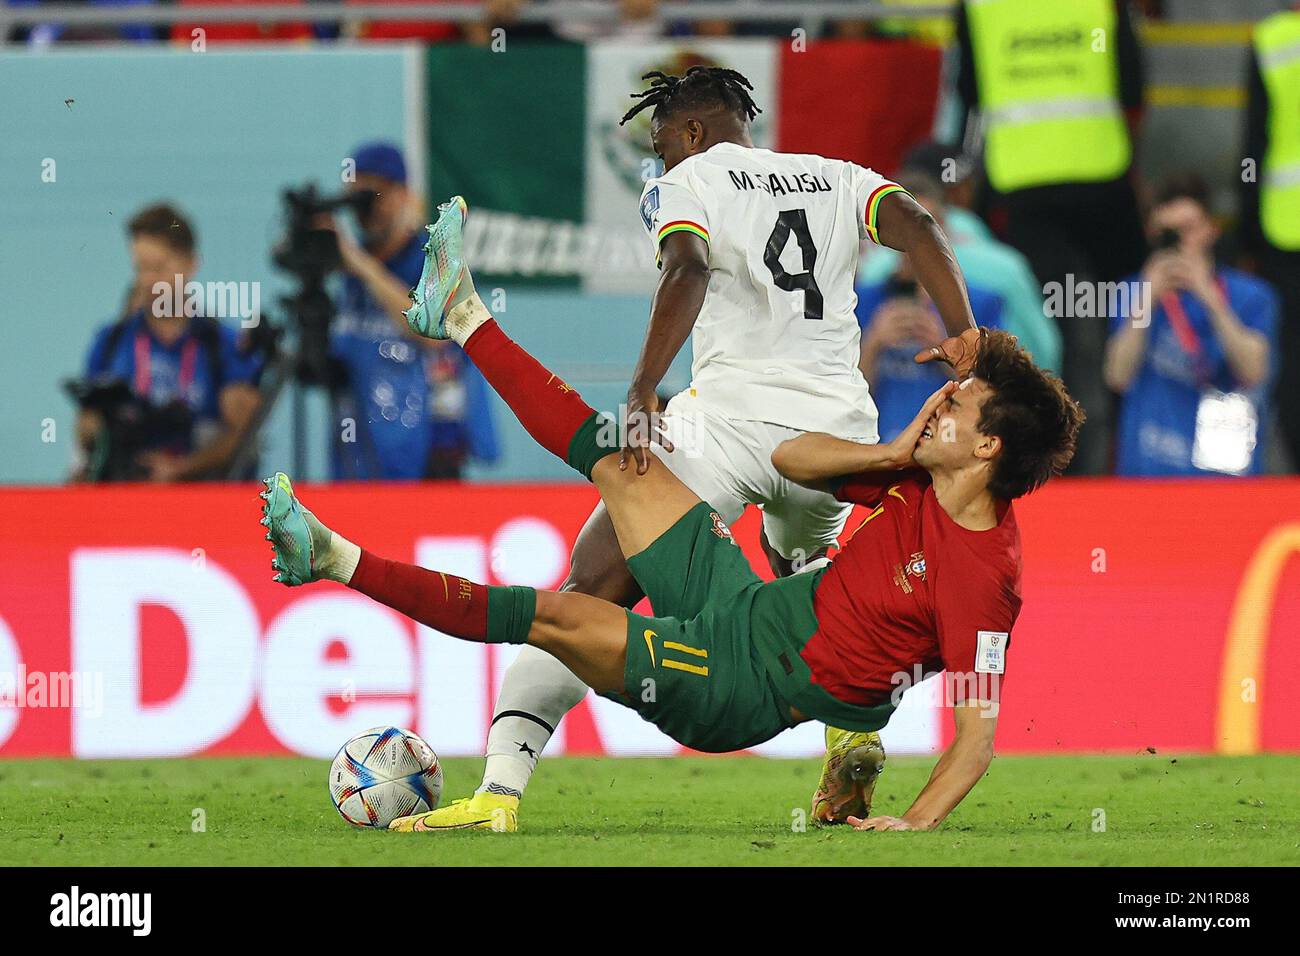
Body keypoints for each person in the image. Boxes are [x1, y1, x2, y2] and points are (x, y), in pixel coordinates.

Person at [259, 197, 1084, 832]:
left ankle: (329, 559)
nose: (937, 406)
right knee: (623, 458)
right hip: (740, 601)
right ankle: (463, 312)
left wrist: (914, 824)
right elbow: (791, 461)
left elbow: (977, 731)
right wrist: (892, 453)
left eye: (957, 407)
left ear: (988, 451)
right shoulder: (912, 482)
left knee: (551, 614)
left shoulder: (986, 577)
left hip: (735, 683)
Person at [435, 66, 981, 831]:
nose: (659, 163)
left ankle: (498, 793)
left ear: (691, 133)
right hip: (835, 441)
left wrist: (642, 386)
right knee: (815, 591)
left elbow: (687, 268)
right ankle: (851, 733)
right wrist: (961, 331)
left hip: (720, 428)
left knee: (590, 588)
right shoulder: (836, 177)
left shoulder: (687, 183)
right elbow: (921, 227)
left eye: (661, 145)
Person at [955, 0, 1147, 474]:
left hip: (1025, 197)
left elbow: (969, 96)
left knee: (1056, 337)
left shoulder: (979, 8)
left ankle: (1054, 465)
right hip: (1101, 194)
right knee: (1091, 331)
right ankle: (1085, 466)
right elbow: (1134, 89)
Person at [327, 141, 497, 479]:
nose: (366, 211)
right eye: (356, 199)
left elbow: (433, 333)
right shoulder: (350, 270)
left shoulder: (434, 258)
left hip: (432, 449)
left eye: (374, 196)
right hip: (364, 450)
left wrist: (363, 267)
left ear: (403, 194)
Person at [1104, 175, 1277, 477]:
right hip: (1148, 469)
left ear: (1212, 229)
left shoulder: (1251, 294)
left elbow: (1254, 370)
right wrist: (1147, 297)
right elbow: (1117, 376)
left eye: (1189, 229)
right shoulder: (1131, 292)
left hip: (1225, 471)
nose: (1180, 242)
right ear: (1151, 233)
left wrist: (1209, 297)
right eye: (1168, 233)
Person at [77, 203, 263, 482]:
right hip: (125, 502)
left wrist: (180, 469)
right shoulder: (112, 340)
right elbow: (84, 430)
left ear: (191, 263)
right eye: (140, 269)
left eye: (158, 268)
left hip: (201, 506)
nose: (149, 281)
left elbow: (243, 435)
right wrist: (104, 429)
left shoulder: (222, 345)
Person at [858, 169, 1062, 375]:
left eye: (927, 227)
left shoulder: (981, 303)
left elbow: (994, 393)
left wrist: (948, 348)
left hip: (951, 407)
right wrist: (874, 343)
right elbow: (843, 392)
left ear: (944, 229)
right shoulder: (862, 299)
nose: (917, 240)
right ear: (889, 233)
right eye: (906, 228)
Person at [1240, 3, 1300, 472]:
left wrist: (1246, 238)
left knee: (1293, 361)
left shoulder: (1275, 39)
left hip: (1285, 227)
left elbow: (1253, 147)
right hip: (1284, 230)